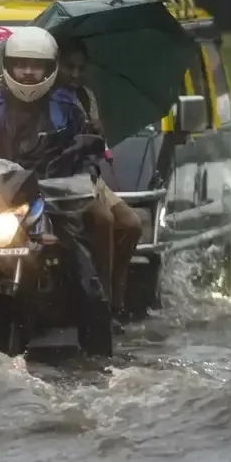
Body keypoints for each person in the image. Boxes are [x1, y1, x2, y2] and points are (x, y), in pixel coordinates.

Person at [0, 26, 113, 355]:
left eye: (36, 65)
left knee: (89, 285)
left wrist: (82, 172)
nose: (28, 71)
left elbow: (86, 153)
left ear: (50, 69)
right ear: (8, 65)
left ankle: (99, 364)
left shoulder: (68, 106)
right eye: (21, 64)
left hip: (48, 202)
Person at [57, 37, 142, 323]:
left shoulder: (85, 97)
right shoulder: (44, 96)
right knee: (103, 220)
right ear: (56, 65)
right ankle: (100, 300)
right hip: (60, 177)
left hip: (89, 174)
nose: (76, 74)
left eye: (81, 68)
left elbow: (95, 145)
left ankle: (116, 295)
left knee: (131, 224)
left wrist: (96, 133)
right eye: (69, 67)